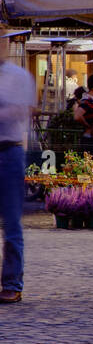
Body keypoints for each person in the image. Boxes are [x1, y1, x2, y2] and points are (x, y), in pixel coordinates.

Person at [0, 56, 37, 303]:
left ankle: (12, 283)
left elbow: (22, 110)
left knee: (12, 222)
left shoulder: (17, 76)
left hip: (8, 151)